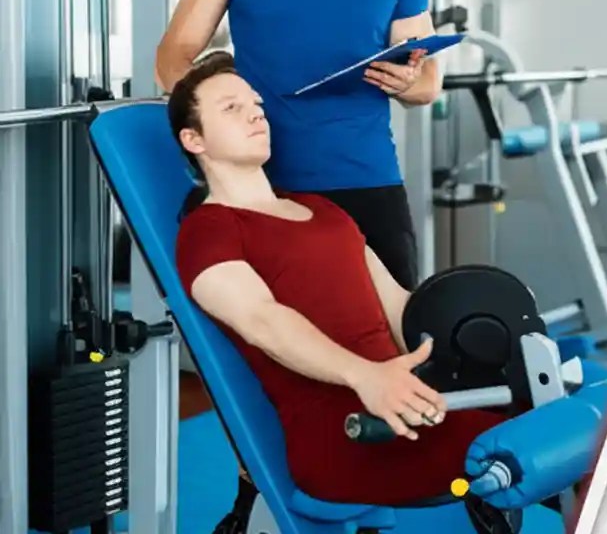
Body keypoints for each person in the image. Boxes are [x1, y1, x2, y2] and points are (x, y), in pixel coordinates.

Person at [153, 0, 436, 527]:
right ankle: (257, 498)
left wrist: (414, 83)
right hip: (263, 187)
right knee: (264, 366)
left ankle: (385, 500)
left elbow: (426, 74)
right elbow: (176, 54)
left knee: (395, 343)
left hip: (364, 175)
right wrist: (218, 109)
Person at [172, 52, 507, 506]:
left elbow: (399, 308)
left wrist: (480, 347)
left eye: (256, 104)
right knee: (565, 449)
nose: (255, 112)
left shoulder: (324, 211)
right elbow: (262, 320)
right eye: (231, 108)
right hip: (349, 437)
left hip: (410, 403)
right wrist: (363, 375)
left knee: (569, 416)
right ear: (194, 139)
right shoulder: (208, 231)